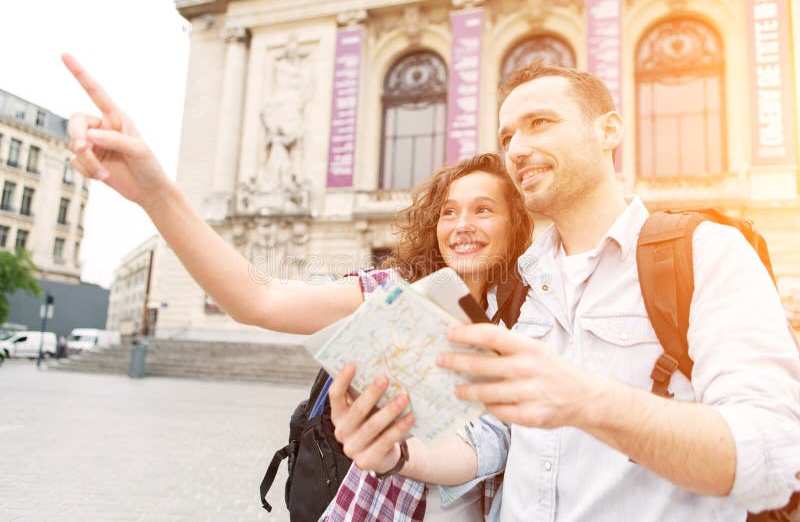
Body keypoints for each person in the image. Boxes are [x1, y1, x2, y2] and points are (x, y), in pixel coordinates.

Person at [59, 53, 533, 519]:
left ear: (517, 224)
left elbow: (494, 445)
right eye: (449, 211)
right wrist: (154, 193)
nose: (461, 225)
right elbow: (257, 299)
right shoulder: (390, 293)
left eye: (484, 209)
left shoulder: (534, 319)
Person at [328, 59, 800, 521]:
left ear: (609, 130)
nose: (515, 150)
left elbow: (776, 457)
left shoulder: (707, 253)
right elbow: (495, 435)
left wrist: (589, 401)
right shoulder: (518, 286)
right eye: (508, 137)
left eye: (540, 123)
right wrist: (398, 453)